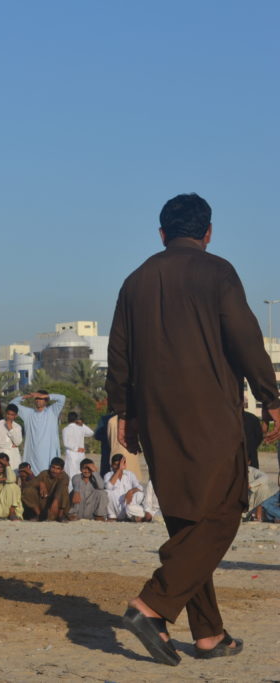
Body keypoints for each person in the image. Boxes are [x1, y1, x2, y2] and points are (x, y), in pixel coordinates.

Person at [108, 193, 280, 665]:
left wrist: (126, 414)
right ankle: (152, 605)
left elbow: (118, 356)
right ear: (207, 233)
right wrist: (271, 397)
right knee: (225, 510)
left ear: (162, 234)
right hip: (210, 414)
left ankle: (209, 635)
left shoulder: (135, 281)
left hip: (156, 418)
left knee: (188, 522)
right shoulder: (218, 271)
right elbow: (246, 339)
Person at [10, 390, 66, 474]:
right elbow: (12, 404)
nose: (38, 400)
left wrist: (44, 395)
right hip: (32, 453)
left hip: (48, 452)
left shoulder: (52, 411)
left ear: (46, 400)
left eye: (41, 398)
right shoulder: (28, 413)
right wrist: (27, 396)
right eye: (36, 398)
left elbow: (62, 398)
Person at [20, 457, 70, 521]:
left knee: (63, 489)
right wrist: (40, 483)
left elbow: (61, 488)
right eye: (53, 467)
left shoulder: (64, 476)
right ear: (50, 467)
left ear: (62, 470)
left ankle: (61, 516)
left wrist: (55, 501)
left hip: (58, 505)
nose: (54, 470)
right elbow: (30, 484)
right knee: (28, 491)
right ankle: (39, 515)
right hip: (45, 503)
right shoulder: (44, 473)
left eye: (58, 469)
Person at [104, 453, 143, 521]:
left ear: (124, 465)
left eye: (120, 465)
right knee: (107, 492)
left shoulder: (130, 474)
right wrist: (119, 470)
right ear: (112, 465)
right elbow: (108, 487)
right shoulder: (108, 475)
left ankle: (131, 515)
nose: (118, 467)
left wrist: (130, 491)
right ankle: (112, 516)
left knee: (140, 494)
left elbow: (140, 487)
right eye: (116, 465)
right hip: (116, 508)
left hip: (128, 505)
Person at [61, 412, 94, 482]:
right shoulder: (81, 428)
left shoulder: (65, 429)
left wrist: (75, 448)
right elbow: (91, 433)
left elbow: (65, 443)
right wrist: (83, 425)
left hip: (71, 454)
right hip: (81, 454)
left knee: (71, 474)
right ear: (76, 419)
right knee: (81, 472)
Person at [0, 404, 23, 472]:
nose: (9, 416)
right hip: (0, 455)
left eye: (12, 415)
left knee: (13, 477)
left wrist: (10, 429)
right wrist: (11, 445)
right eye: (8, 414)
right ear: (5, 413)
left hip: (13, 457)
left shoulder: (17, 427)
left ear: (15, 416)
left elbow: (18, 442)